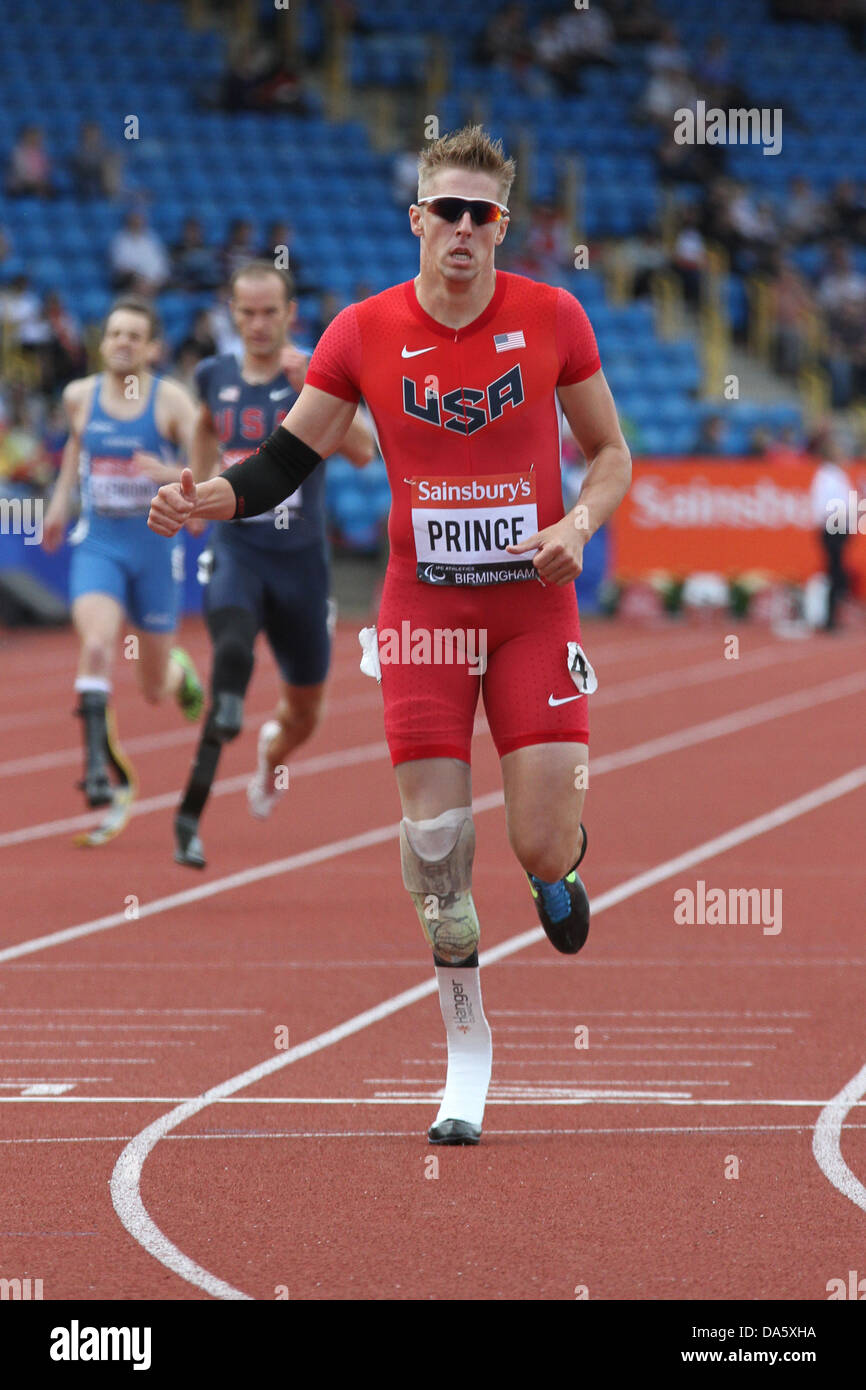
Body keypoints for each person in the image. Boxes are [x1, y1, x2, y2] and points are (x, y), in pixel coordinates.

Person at [148, 125, 632, 1145]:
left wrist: (578, 525)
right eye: (445, 211)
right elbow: (286, 461)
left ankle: (555, 870)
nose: (462, 229)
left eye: (480, 215)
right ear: (416, 219)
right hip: (424, 613)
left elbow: (609, 453)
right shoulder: (362, 331)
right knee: (436, 853)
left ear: (500, 225)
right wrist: (207, 500)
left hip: (531, 607)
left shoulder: (553, 315)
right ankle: (466, 1056)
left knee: (537, 835)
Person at [173, 260, 374, 868]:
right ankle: (189, 816)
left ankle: (271, 755)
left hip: (302, 564)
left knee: (305, 712)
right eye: (247, 312)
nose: (258, 324)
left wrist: (313, 380)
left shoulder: (317, 372)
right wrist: (199, 490)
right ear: (231, 314)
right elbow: (203, 430)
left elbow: (364, 452)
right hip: (238, 549)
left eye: (269, 312)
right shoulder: (212, 374)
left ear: (290, 313)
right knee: (232, 657)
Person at [41, 297, 203, 838]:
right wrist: (59, 503)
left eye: (135, 335)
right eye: (115, 334)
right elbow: (76, 448)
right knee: (96, 644)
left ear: (153, 347)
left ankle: (179, 674)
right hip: (100, 545)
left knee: (153, 687)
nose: (123, 343)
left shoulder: (171, 400)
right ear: (103, 342)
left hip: (155, 549)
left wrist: (173, 474)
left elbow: (209, 462)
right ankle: (96, 769)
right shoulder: (79, 396)